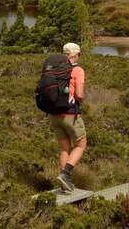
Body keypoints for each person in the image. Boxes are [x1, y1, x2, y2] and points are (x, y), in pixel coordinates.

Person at [51, 42, 86, 193]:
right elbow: (79, 94)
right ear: (76, 54)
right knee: (81, 145)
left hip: (53, 114)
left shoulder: (54, 69)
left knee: (65, 148)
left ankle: (64, 185)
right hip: (70, 114)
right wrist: (81, 101)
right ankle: (65, 175)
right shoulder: (77, 70)